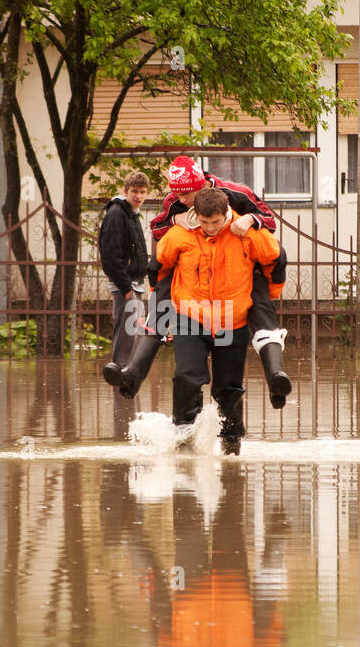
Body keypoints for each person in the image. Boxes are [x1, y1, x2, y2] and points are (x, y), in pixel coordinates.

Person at [104, 155, 292, 408]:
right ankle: (132, 375)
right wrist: (174, 220)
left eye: (186, 195)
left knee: (261, 312)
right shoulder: (175, 202)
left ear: (202, 185)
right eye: (177, 195)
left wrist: (249, 220)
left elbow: (270, 221)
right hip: (191, 278)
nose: (180, 200)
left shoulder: (235, 193)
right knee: (161, 303)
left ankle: (276, 381)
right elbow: (157, 230)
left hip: (243, 265)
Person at [156, 186, 283, 455]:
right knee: (187, 376)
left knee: (229, 387)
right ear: (195, 216)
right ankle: (183, 435)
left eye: (216, 222)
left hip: (232, 320)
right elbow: (161, 263)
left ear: (227, 213)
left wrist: (268, 296)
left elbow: (274, 258)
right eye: (205, 222)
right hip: (190, 317)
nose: (211, 227)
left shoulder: (248, 234)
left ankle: (231, 442)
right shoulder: (180, 234)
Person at [98, 171, 150, 377]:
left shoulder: (131, 214)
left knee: (133, 329)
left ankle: (126, 371)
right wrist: (126, 288)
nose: (138, 196)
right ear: (125, 191)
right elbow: (110, 256)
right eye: (134, 191)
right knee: (126, 330)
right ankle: (119, 371)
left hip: (133, 283)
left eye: (143, 192)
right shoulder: (116, 214)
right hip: (125, 285)